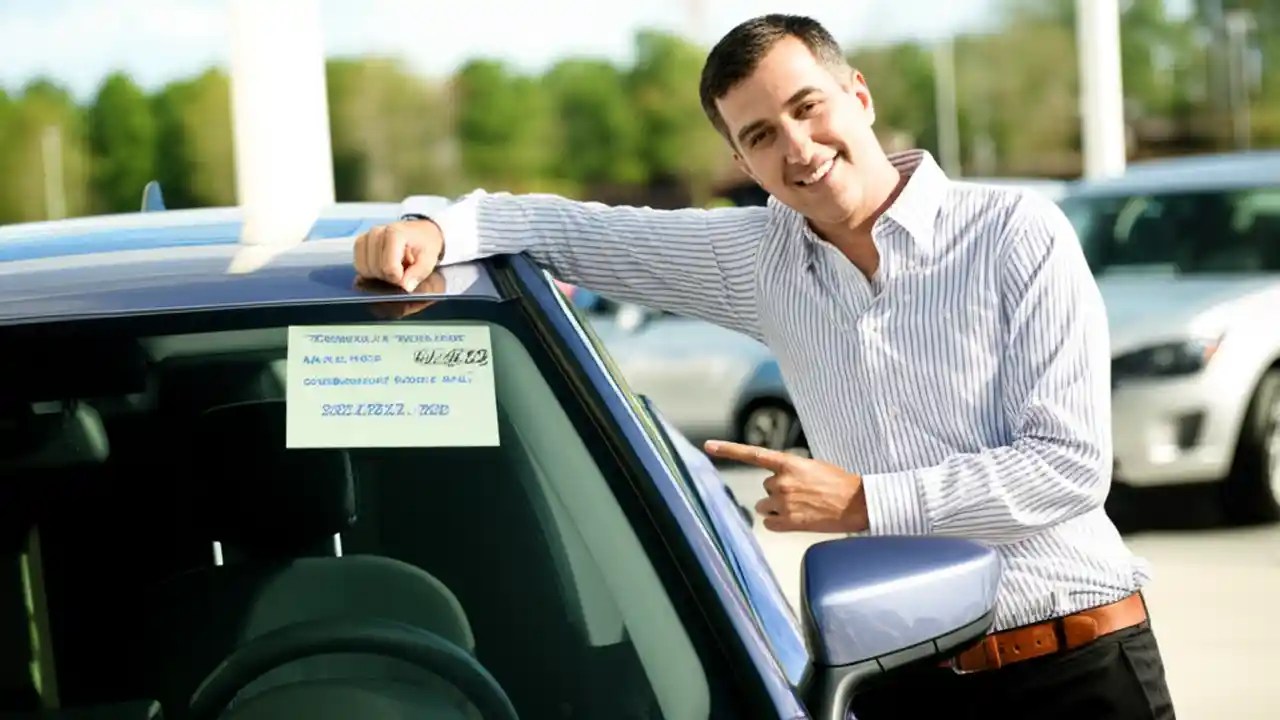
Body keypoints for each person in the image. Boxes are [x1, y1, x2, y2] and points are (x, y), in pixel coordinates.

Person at [351, 13, 1175, 720]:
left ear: (858, 94)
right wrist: (433, 227)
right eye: (760, 136)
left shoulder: (1014, 233)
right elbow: (561, 229)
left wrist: (862, 503)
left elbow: (1068, 471)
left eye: (807, 108)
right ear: (744, 166)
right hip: (902, 684)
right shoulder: (756, 258)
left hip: (1075, 666)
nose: (798, 148)